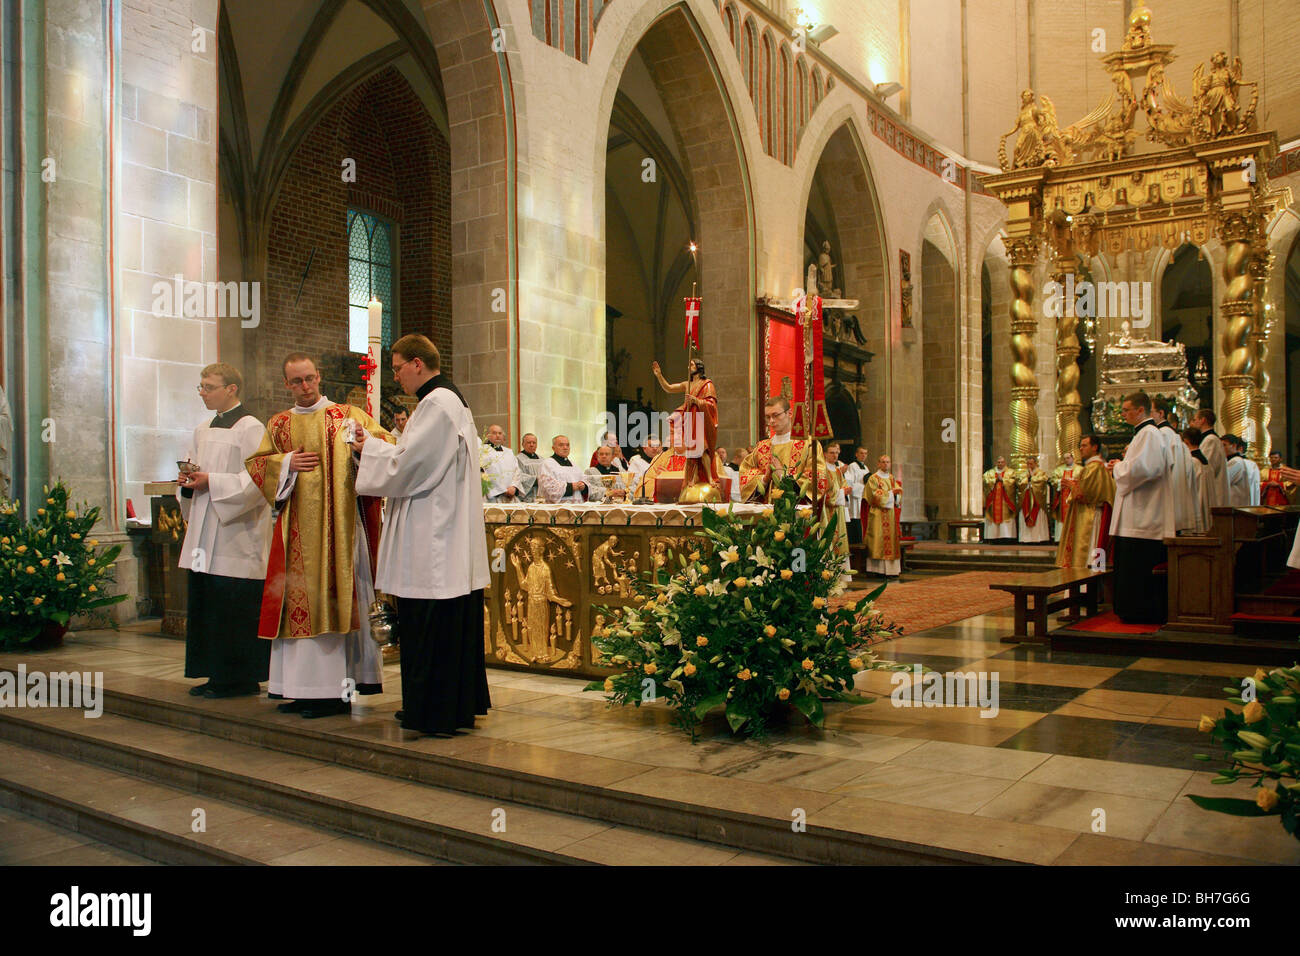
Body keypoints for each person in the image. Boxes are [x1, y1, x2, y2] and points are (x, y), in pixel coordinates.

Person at [352, 334, 491, 737]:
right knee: (448, 628)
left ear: (417, 363)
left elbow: (409, 468)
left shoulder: (436, 404)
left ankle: (432, 712)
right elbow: (415, 454)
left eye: (397, 368)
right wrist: (381, 447)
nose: (395, 377)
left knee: (429, 626)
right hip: (443, 532)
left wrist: (368, 452)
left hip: (432, 536)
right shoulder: (450, 400)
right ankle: (451, 707)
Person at [245, 353, 391, 718]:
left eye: (310, 378)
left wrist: (362, 447)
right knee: (296, 607)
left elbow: (388, 449)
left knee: (334, 604)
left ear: (319, 377)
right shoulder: (278, 424)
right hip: (294, 536)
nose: (305, 387)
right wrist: (284, 465)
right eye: (296, 381)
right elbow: (257, 465)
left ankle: (332, 693)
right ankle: (297, 689)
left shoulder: (348, 416)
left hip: (340, 534)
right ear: (286, 384)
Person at [176, 363, 272, 699]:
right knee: (210, 607)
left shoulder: (251, 428)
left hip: (237, 534)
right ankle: (216, 674)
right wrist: (188, 483)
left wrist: (211, 481)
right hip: (205, 531)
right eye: (200, 386)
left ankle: (240, 678)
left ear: (231, 389)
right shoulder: (202, 429)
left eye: (209, 386)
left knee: (235, 609)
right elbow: (193, 468)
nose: (202, 392)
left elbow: (260, 481)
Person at [1109, 391, 1173, 624]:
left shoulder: (1149, 434)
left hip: (1144, 516)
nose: (1123, 414)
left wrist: (1118, 469)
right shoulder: (1144, 434)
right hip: (1138, 515)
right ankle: (1131, 610)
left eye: (1126, 410)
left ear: (1140, 410)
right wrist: (1124, 466)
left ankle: (1140, 612)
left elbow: (1146, 469)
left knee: (1137, 569)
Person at [1056, 435, 1114, 569]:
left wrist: (1072, 486)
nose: (1080, 449)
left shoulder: (1095, 467)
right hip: (1088, 514)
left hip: (1090, 517)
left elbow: (1088, 493)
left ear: (1094, 447)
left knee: (1089, 552)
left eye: (1084, 445)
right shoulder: (1092, 466)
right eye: (1080, 445)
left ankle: (1085, 585)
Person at [1153, 397, 1195, 533]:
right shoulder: (1172, 434)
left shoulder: (1161, 434)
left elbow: (1156, 466)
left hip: (1164, 497)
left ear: (1161, 413)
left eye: (1150, 411)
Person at [863, 454, 902, 577]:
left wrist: (896, 495)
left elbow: (898, 492)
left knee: (890, 540)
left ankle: (891, 570)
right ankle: (877, 570)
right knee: (877, 540)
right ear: (878, 464)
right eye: (883, 462)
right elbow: (872, 496)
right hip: (877, 514)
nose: (886, 464)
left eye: (888, 462)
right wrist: (891, 493)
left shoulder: (891, 478)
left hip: (889, 515)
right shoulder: (873, 478)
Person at [1191, 408, 1229, 509]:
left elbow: (1204, 467)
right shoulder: (1207, 439)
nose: (1193, 423)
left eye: (1195, 420)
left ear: (1203, 420)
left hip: (1213, 491)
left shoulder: (1211, 440)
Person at [539, 436, 588, 503]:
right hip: (558, 508)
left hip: (577, 506)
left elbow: (585, 480)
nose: (565, 448)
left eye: (567, 445)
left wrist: (583, 485)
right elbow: (548, 487)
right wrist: (571, 487)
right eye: (561, 445)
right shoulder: (547, 464)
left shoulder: (574, 465)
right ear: (553, 448)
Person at [1182, 427, 1211, 532]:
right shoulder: (1204, 460)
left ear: (1186, 441)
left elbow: (1186, 487)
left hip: (1195, 506)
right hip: (1205, 506)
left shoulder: (1192, 461)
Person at [1017, 455, 1051, 543]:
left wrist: (1032, 479)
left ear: (1036, 463)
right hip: (1026, 499)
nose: (1029, 465)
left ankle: (1038, 538)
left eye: (1031, 463)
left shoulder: (1041, 472)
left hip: (1037, 499)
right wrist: (1027, 479)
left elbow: (1043, 480)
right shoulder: (1024, 473)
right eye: (1028, 463)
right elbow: (1020, 482)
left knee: (1038, 516)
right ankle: (1025, 538)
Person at [983, 456, 1017, 543]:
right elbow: (985, 481)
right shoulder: (990, 472)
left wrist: (1003, 480)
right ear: (996, 463)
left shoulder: (1011, 472)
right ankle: (993, 537)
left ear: (1005, 463)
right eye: (998, 462)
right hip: (993, 500)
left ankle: (1006, 537)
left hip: (1005, 501)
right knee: (993, 517)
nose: (1000, 464)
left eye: (1002, 462)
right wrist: (994, 480)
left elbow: (1013, 482)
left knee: (1005, 518)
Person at [481, 424, 519, 502]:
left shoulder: (509, 452)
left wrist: (513, 487)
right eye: (494, 433)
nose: (498, 436)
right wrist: (503, 490)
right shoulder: (483, 451)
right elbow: (483, 473)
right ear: (488, 436)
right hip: (492, 496)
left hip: (510, 496)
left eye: (500, 433)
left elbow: (517, 472)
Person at [843, 445, 870, 546]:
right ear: (856, 454)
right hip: (855, 498)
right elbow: (850, 483)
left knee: (861, 518)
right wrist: (863, 487)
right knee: (854, 517)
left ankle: (861, 541)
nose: (863, 455)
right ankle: (854, 543)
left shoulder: (866, 467)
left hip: (862, 497)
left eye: (865, 453)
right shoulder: (852, 466)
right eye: (861, 453)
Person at [1223, 434, 1259, 507]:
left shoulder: (1236, 462)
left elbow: (1223, 482)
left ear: (1238, 447)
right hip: (1251, 505)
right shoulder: (1252, 464)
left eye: (1224, 445)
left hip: (1237, 504)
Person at [507, 432, 543, 502]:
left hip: (540, 496)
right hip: (526, 497)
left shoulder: (542, 460)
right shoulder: (517, 459)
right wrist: (535, 480)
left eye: (534, 443)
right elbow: (518, 476)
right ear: (523, 444)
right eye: (529, 442)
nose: (532, 445)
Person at [1051, 453, 1078, 543]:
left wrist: (1072, 482)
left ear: (1073, 458)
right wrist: (1060, 482)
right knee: (1062, 517)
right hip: (1062, 497)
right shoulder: (1059, 470)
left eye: (1068, 458)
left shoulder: (1080, 469)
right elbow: (1053, 481)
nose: (1066, 460)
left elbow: (1082, 482)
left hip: (1074, 498)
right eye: (1065, 458)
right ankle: (1060, 538)